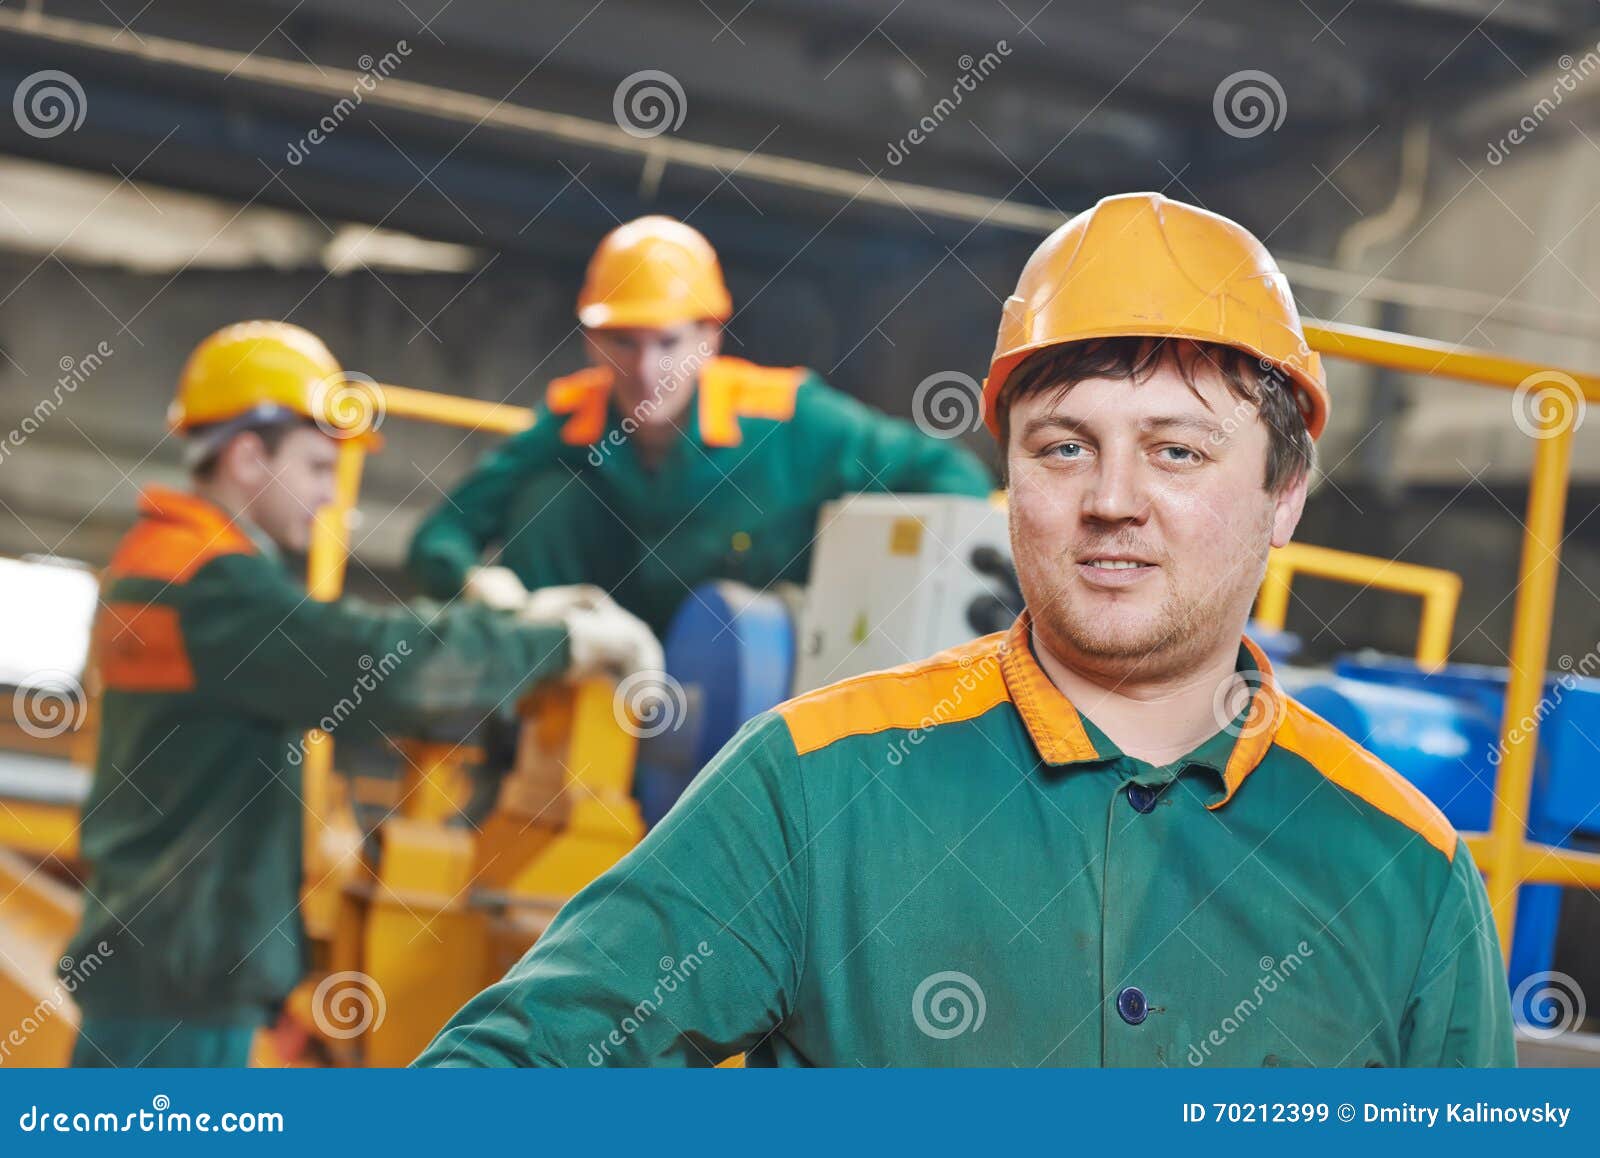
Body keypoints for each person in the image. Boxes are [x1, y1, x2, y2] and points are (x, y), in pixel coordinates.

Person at [412, 193, 1515, 1068]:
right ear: (1009, 481)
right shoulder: (813, 789)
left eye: (1177, 451)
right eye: (1061, 447)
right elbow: (530, 1065)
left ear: (1285, 495)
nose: (1111, 500)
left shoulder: (1404, 877)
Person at [65, 321, 659, 1068]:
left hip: (162, 964)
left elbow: (340, 645)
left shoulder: (168, 564)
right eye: (317, 466)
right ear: (250, 456)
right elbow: (380, 667)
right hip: (177, 983)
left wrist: (499, 617)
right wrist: (557, 644)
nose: (327, 497)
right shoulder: (209, 588)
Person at [405, 215, 994, 636]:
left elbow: (950, 474)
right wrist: (480, 586)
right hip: (593, 688)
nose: (646, 368)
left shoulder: (790, 417)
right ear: (591, 343)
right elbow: (440, 536)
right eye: (623, 343)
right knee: (545, 500)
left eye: (669, 342)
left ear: (709, 341)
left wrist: (866, 605)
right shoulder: (571, 424)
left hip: (750, 699)